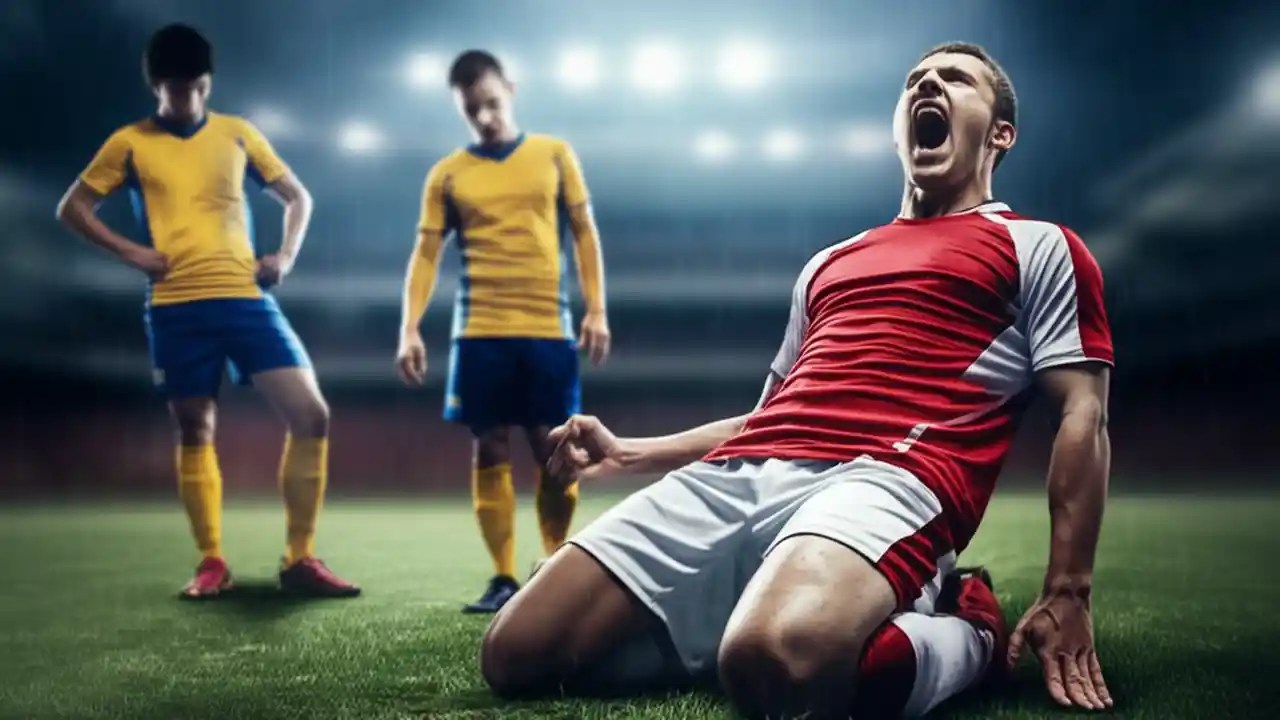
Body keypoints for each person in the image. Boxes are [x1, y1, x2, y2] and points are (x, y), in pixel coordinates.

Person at [479, 42, 1116, 718]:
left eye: (954, 79)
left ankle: (971, 628)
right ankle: (773, 617)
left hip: (887, 477)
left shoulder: (1040, 246)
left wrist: (1069, 589)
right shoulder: (827, 264)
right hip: (739, 475)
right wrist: (631, 450)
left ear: (999, 133)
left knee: (774, 661)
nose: (928, 82)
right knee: (514, 654)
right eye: (915, 81)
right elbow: (766, 418)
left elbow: (1083, 413)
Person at [55, 24, 359, 600]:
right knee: (196, 428)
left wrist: (286, 256)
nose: (186, 100)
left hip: (245, 299)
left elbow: (299, 196)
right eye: (174, 90)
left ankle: (300, 559)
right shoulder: (130, 143)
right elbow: (73, 207)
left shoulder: (238, 135)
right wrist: (132, 252)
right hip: (175, 306)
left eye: (194, 88)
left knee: (312, 414)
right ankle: (212, 562)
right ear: (156, 87)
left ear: (207, 83)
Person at [396, 50, 611, 613]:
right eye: (472, 110)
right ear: (460, 108)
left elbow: (584, 233)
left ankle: (553, 564)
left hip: (546, 327)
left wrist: (596, 309)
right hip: (480, 330)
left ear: (510, 89)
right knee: (488, 443)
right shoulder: (447, 173)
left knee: (553, 449)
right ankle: (501, 577)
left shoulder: (554, 154)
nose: (485, 117)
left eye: (491, 103)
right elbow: (425, 254)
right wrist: (410, 328)